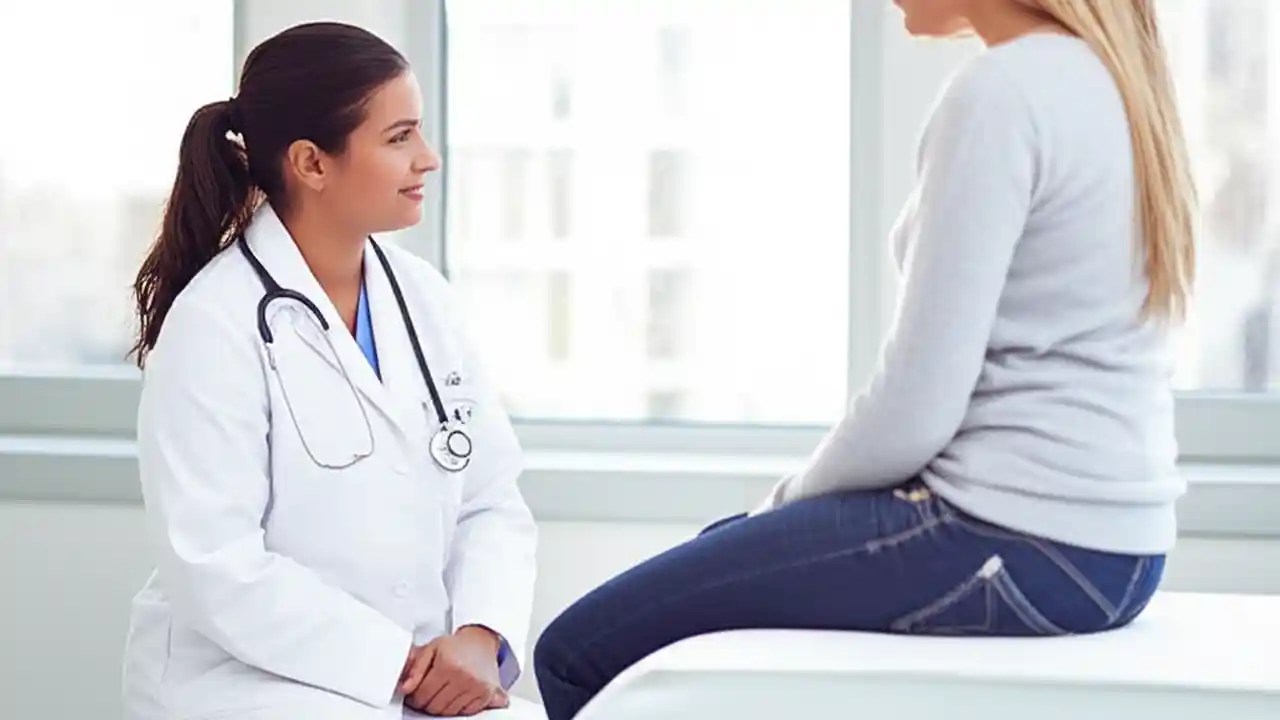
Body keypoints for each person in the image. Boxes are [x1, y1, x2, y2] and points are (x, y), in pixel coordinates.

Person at [533, 0, 1197, 717]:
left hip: (1012, 532)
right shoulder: (1111, 81)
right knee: (720, 565)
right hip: (1118, 554)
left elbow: (914, 412)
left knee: (577, 654)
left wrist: (782, 506)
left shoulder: (1000, 95)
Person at [121, 22, 540, 720]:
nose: (429, 158)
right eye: (399, 137)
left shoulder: (424, 299)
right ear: (312, 164)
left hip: (417, 675)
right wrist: (400, 664)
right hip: (250, 682)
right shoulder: (215, 323)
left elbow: (491, 500)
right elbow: (215, 563)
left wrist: (478, 635)